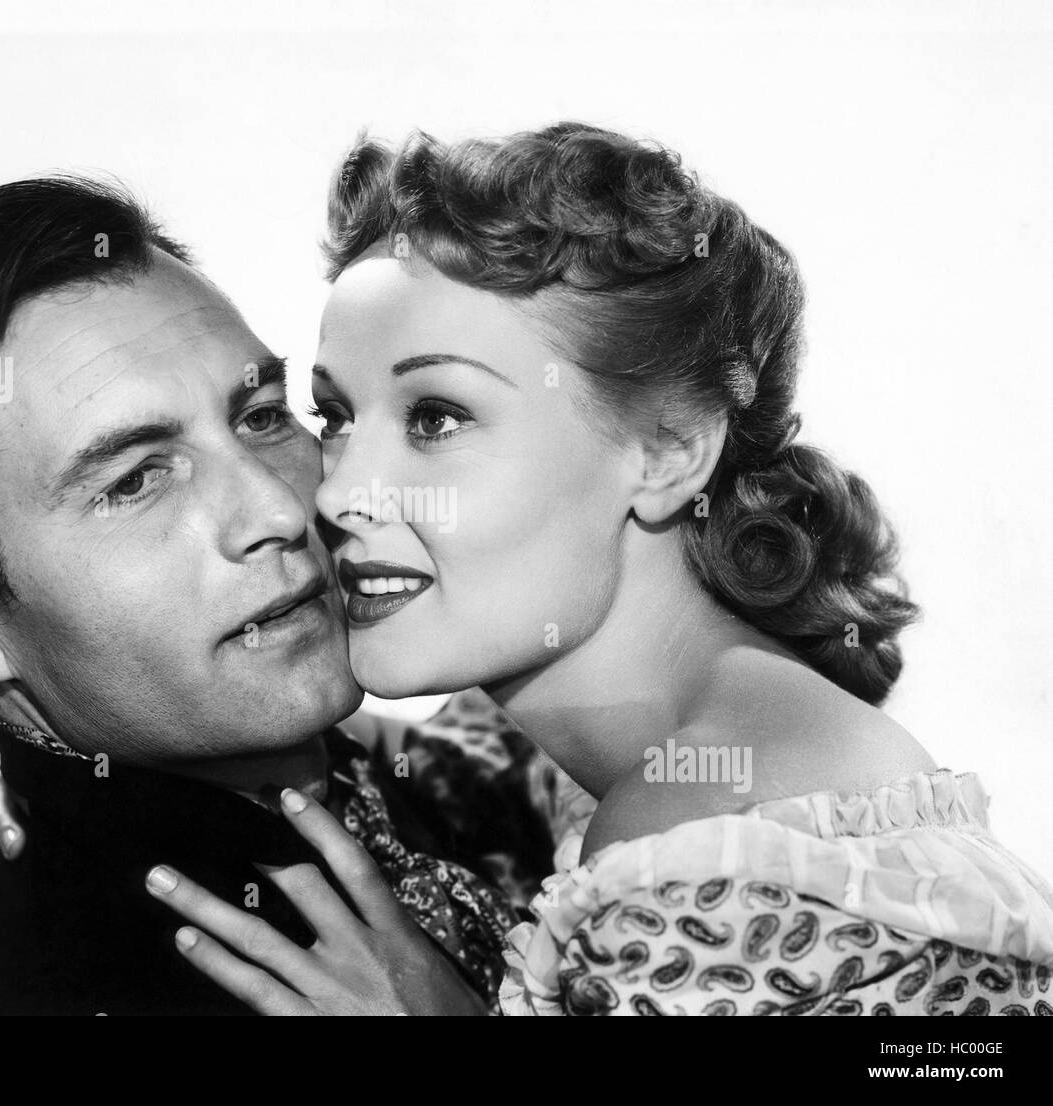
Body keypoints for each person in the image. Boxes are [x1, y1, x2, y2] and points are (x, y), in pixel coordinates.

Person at [74, 122, 1053, 1015]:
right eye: (335, 417)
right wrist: (89, 743)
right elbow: (465, 762)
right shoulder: (671, 730)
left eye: (436, 418)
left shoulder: (687, 842)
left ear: (669, 449)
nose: (334, 495)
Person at [0, 175, 560, 1014]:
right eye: (136, 481)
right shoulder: (128, 979)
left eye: (261, 416)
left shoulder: (363, 775)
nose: (283, 509)